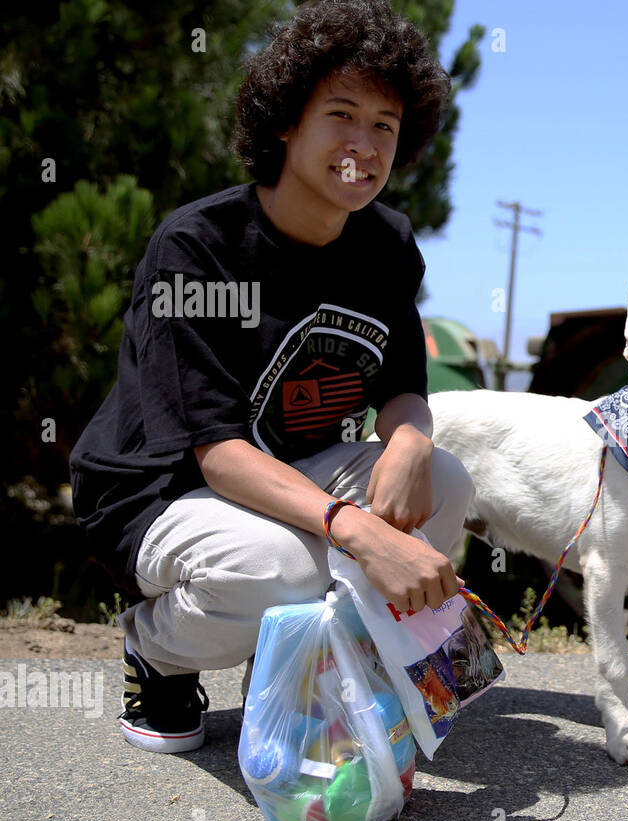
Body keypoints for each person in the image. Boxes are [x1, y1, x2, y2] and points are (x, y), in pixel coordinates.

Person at [69, 0, 473, 754]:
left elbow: (400, 390)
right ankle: (153, 652)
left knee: (445, 482)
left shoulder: (385, 244)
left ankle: (315, 666)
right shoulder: (198, 250)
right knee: (281, 566)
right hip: (158, 490)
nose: (364, 144)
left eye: (385, 125)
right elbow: (215, 451)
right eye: (342, 115)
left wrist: (412, 439)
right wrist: (354, 530)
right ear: (286, 121)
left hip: (286, 472)